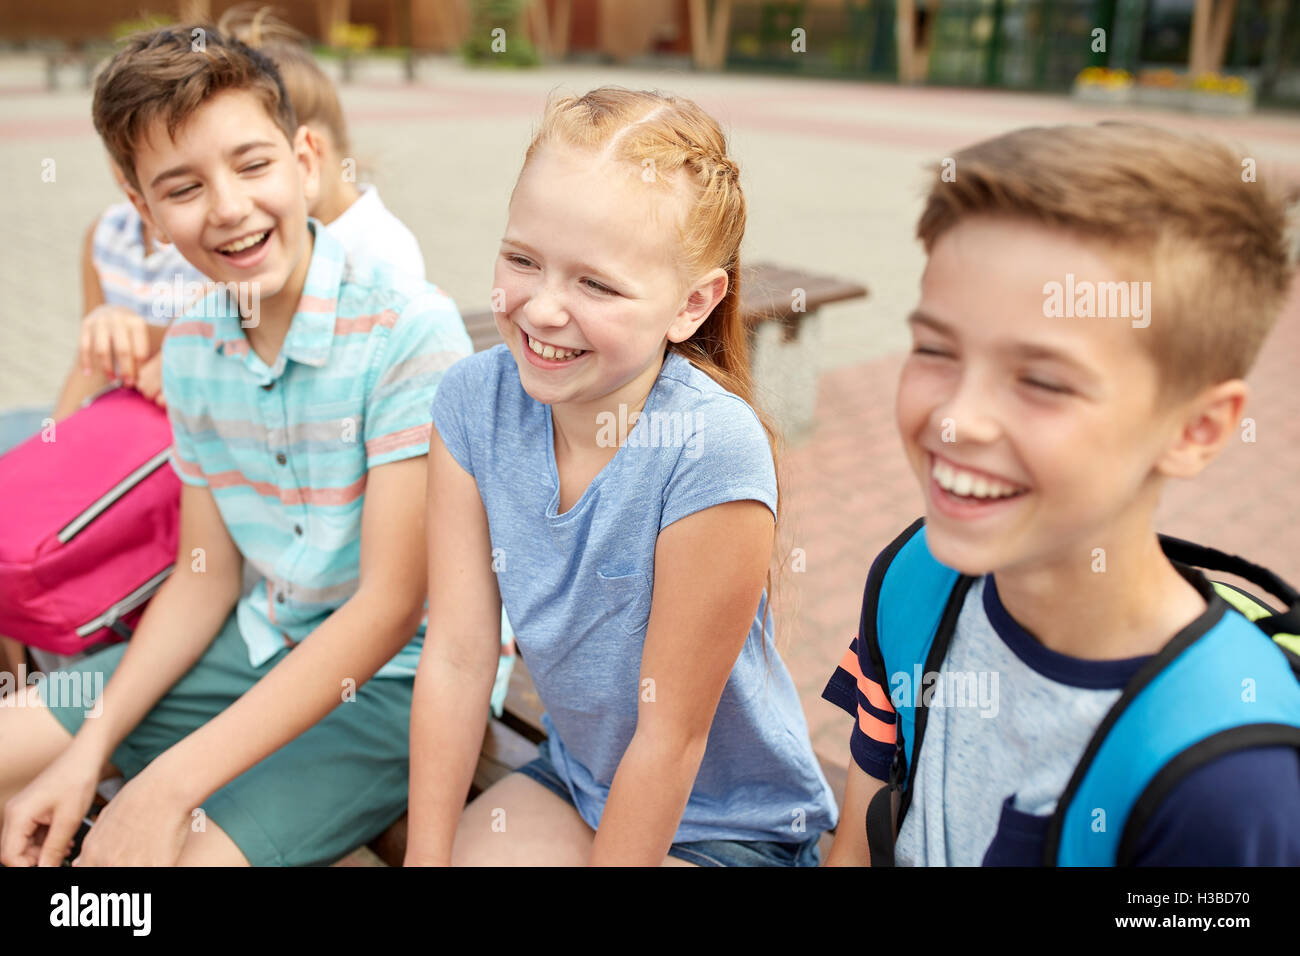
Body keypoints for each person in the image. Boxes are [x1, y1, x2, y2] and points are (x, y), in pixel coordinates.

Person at [0, 24, 470, 867]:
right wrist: (89, 748)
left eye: (252, 165)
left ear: (307, 161)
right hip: (254, 642)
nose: (227, 206)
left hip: (392, 687)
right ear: (143, 214)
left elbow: (390, 605)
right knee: (21, 751)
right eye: (181, 187)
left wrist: (162, 786)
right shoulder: (191, 350)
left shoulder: (408, 328)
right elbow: (201, 578)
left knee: (138, 871)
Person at [821, 123, 1300, 866]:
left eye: (1042, 381)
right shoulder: (914, 576)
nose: (956, 418)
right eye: (936, 350)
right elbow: (858, 841)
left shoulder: (1230, 783)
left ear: (1198, 428)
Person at [407, 87, 837, 867]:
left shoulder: (710, 448)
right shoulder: (470, 402)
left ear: (692, 304)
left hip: (727, 824)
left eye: (595, 284)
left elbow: (670, 737)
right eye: (522, 259)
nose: (541, 310)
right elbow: (460, 656)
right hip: (581, 780)